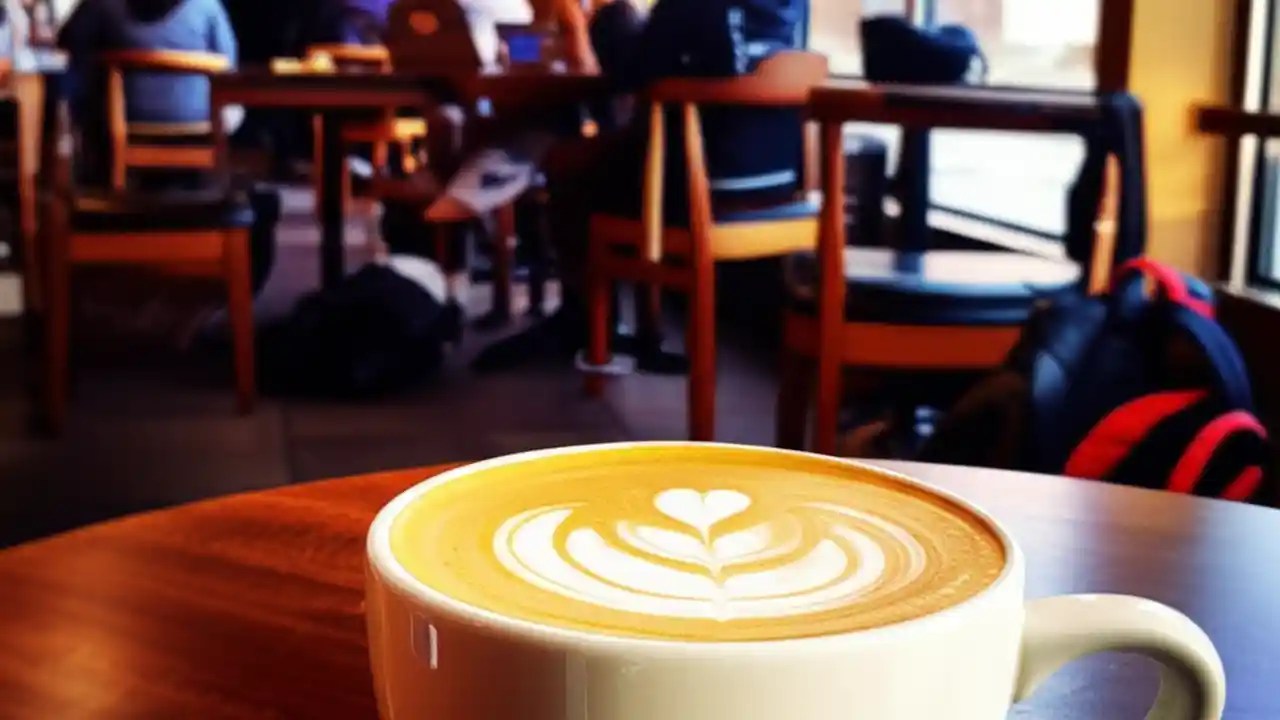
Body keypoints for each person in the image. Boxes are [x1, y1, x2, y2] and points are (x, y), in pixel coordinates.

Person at [470, 0, 806, 372]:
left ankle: (583, 320)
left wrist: (609, 23)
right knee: (608, 158)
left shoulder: (687, 7)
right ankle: (630, 329)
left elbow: (633, 75)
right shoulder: (789, 8)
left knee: (569, 163)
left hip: (705, 190)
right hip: (778, 189)